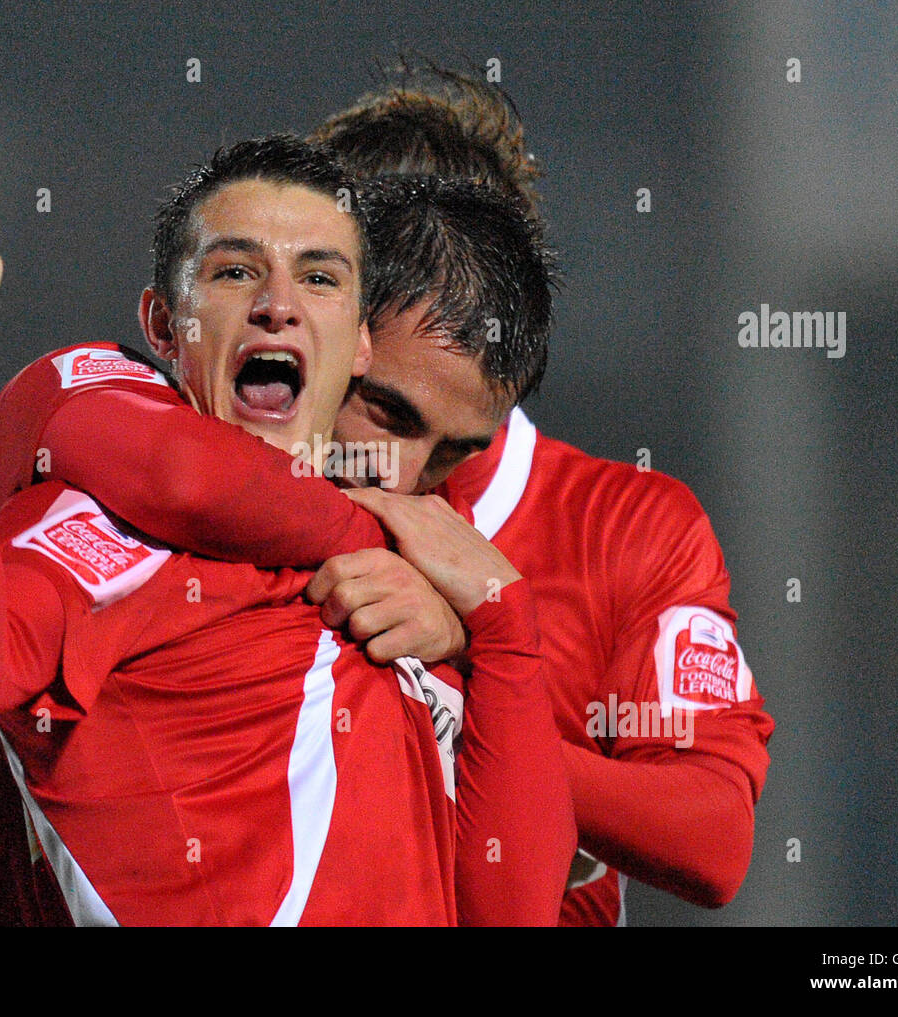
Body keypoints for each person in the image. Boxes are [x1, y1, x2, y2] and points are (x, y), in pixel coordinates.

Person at [0, 136, 572, 925]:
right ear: (165, 326)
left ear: (356, 343)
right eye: (236, 271)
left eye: (318, 278)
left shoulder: (425, 625)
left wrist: (505, 632)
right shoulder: (114, 521)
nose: (402, 469)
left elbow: (516, 910)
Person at [311, 61, 776, 924]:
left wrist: (482, 683)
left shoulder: (628, 529)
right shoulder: (222, 467)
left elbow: (713, 839)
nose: (402, 471)